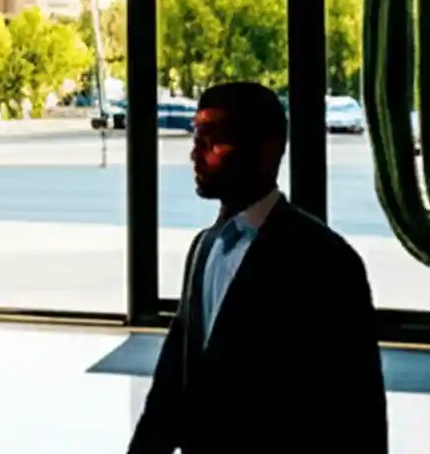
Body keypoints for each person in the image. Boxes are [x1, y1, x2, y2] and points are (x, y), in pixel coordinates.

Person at [128, 82, 387, 454]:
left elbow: (358, 410)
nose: (196, 154)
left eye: (214, 140)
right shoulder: (203, 248)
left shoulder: (326, 261)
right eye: (196, 137)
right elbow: (174, 380)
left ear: (265, 151)